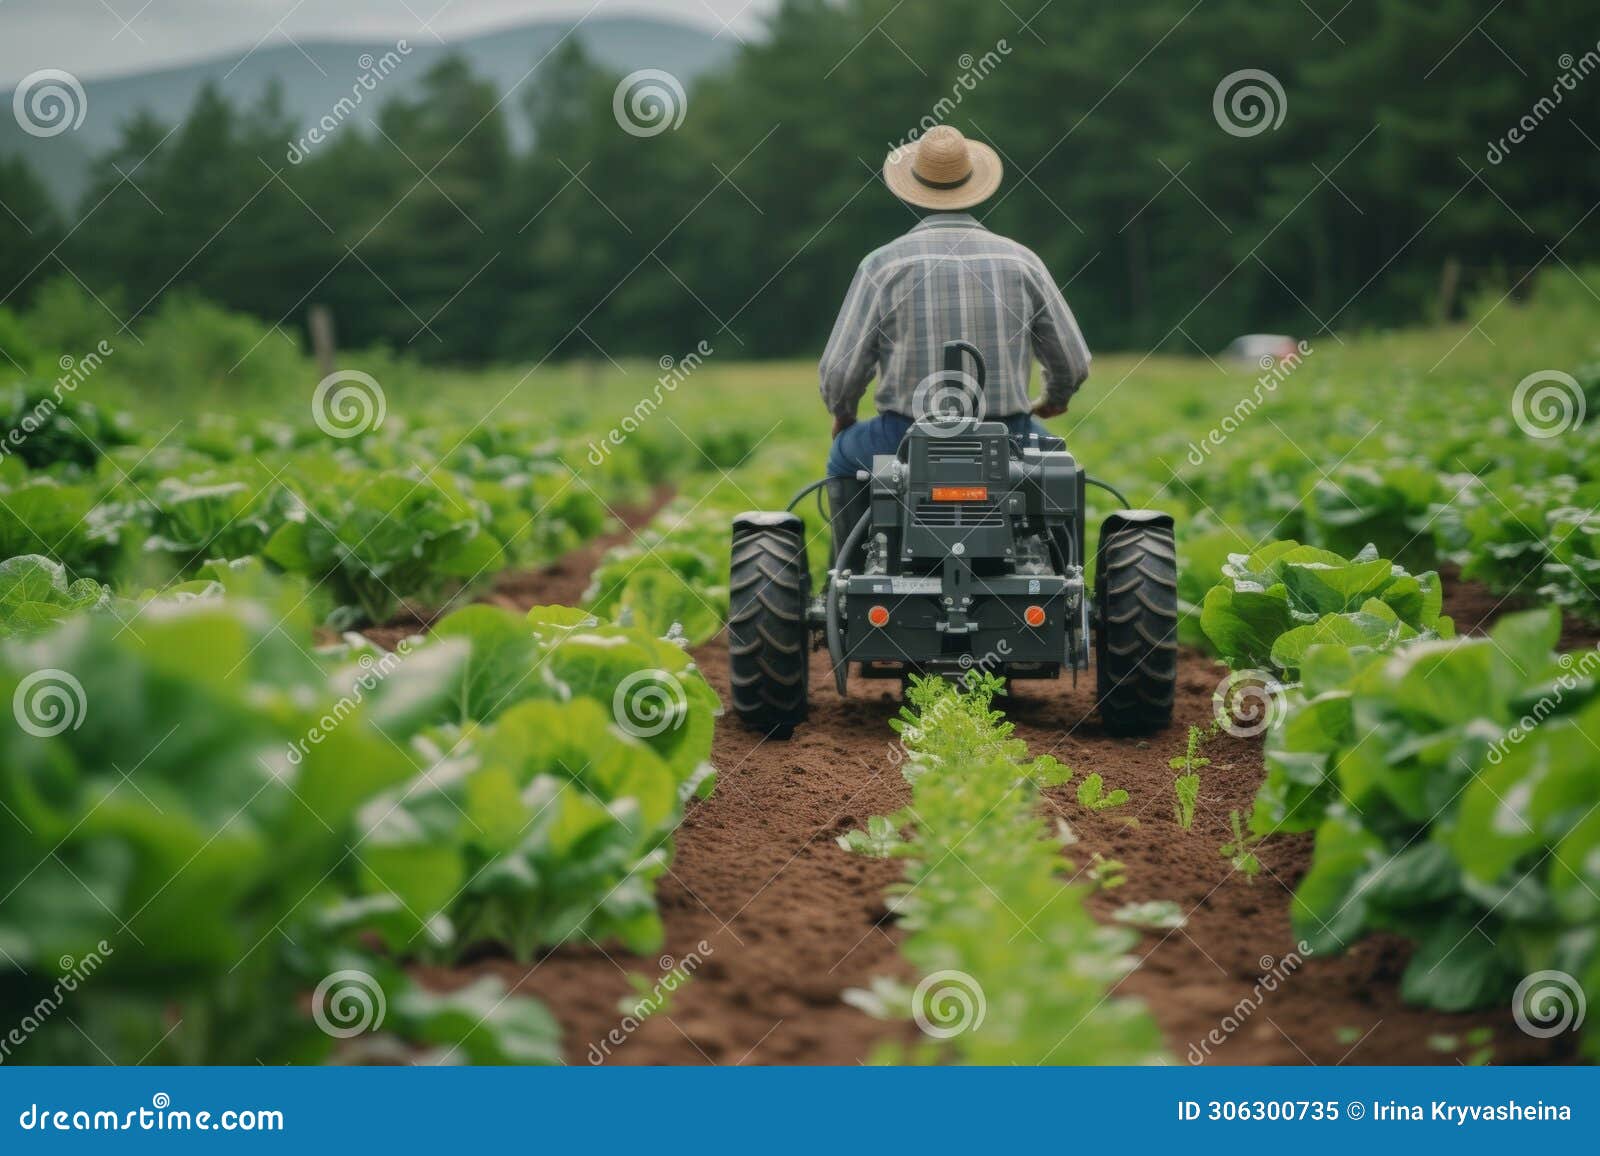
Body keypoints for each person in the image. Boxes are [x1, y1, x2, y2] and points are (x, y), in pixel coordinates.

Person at [818, 124, 1092, 560]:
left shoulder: (882, 265)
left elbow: (841, 371)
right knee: (1062, 470)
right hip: (1008, 433)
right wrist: (1054, 400)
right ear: (973, 186)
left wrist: (844, 413)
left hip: (902, 435)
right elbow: (1072, 362)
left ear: (914, 192)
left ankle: (848, 571)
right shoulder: (1022, 261)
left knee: (842, 456)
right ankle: (1066, 574)